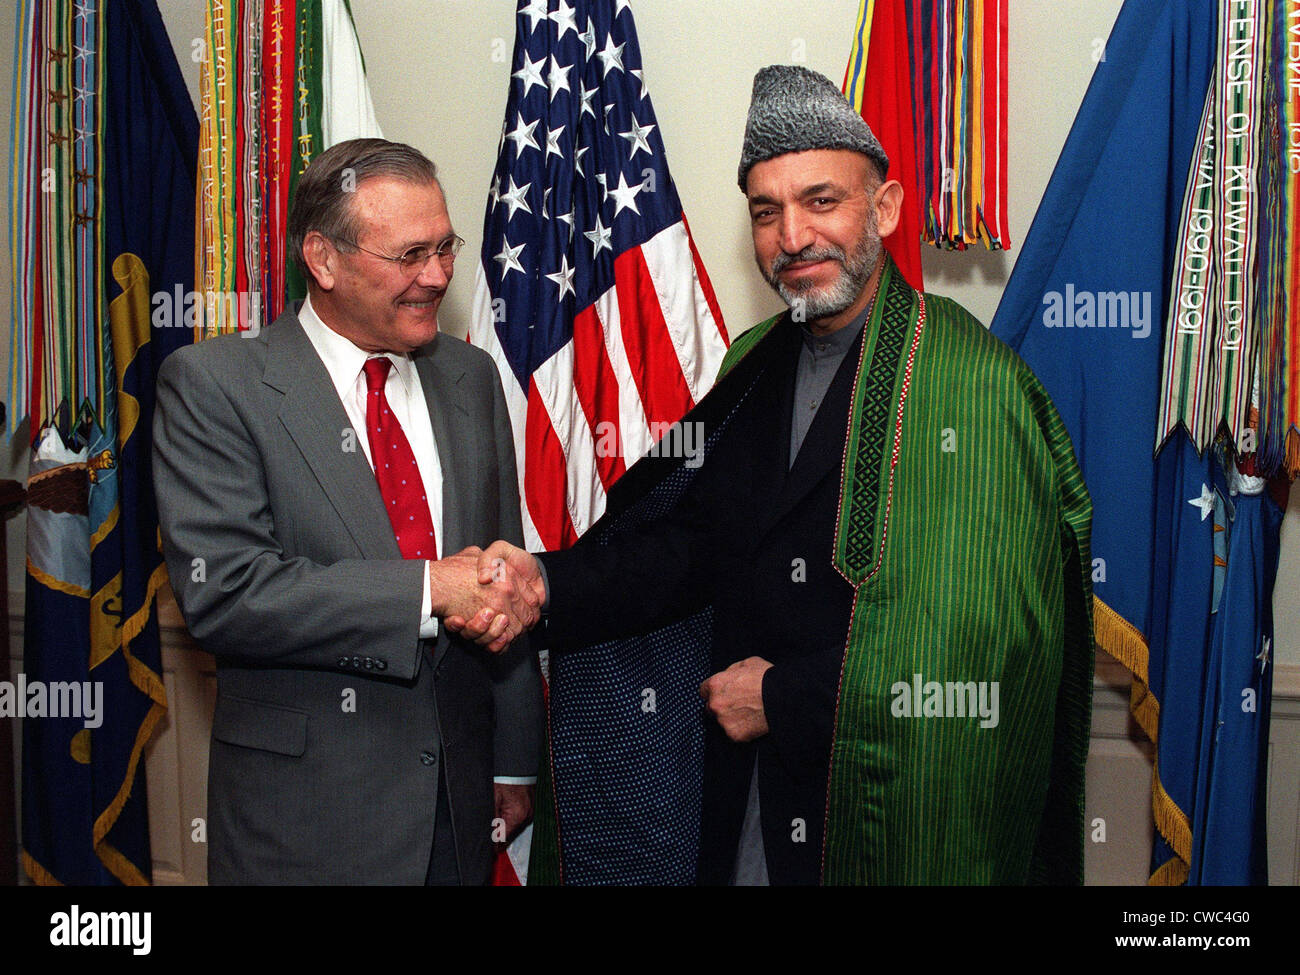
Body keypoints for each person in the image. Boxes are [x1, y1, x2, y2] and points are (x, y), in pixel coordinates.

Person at [455, 66, 1095, 885]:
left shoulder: (971, 385)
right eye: (767, 211)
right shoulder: (755, 359)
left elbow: (985, 659)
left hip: (886, 816)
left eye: (821, 200)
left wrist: (786, 699)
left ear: (887, 208)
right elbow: (687, 542)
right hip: (743, 806)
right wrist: (545, 583)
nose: (792, 236)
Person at [153, 138, 543, 884]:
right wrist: (430, 589)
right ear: (323, 259)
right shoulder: (217, 387)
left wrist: (516, 759)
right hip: (305, 825)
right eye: (409, 255)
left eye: (444, 247)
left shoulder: (470, 377)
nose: (436, 275)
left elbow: (502, 569)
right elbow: (227, 592)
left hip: (459, 814)